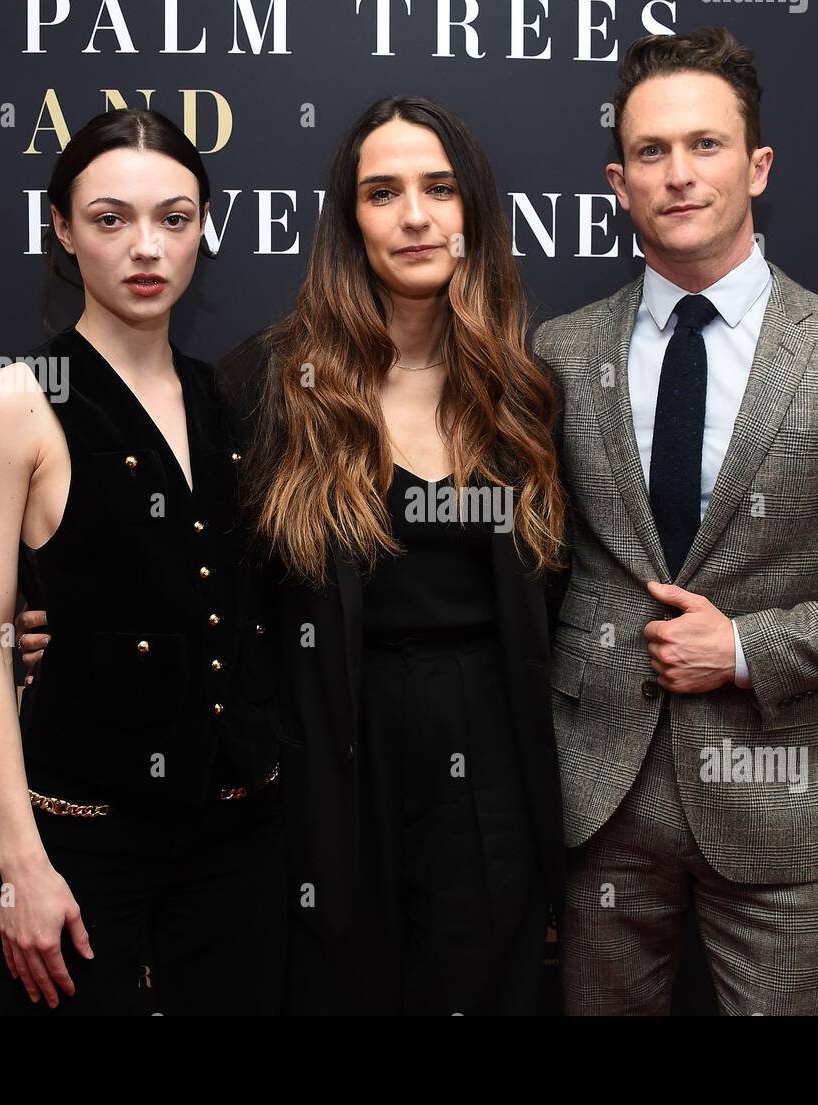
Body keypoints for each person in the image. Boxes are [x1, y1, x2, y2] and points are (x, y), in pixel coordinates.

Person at [532, 28, 818, 1015]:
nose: (678, 174)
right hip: (600, 801)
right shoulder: (555, 354)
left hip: (784, 797)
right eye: (651, 152)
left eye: (706, 145)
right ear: (618, 179)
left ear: (757, 164)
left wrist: (742, 647)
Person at [217, 96, 570, 1015]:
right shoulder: (271, 381)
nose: (415, 216)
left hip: (493, 765)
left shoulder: (528, 386)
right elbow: (207, 584)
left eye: (439, 189)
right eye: (383, 192)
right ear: (350, 221)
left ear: (474, 215)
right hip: (332, 756)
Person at [0, 108, 284, 1016]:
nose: (147, 247)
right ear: (60, 227)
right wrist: (22, 864)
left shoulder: (235, 398)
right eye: (110, 219)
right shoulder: (14, 401)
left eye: (174, 219)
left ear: (203, 228)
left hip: (238, 844)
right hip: (82, 843)